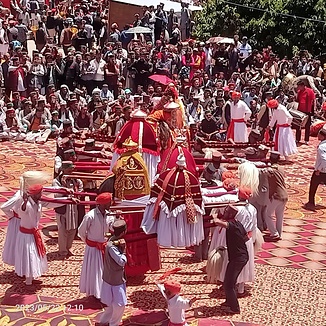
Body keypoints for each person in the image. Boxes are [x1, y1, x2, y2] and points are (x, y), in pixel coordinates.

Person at [78, 192, 118, 300]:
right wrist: (89, 242)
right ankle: (96, 293)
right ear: (103, 204)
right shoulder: (90, 215)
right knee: (94, 271)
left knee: (104, 271)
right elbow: (81, 231)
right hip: (93, 248)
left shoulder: (110, 214)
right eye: (109, 202)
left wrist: (117, 219)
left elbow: (113, 229)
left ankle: (103, 293)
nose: (111, 204)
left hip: (104, 247)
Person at [212, 204, 249, 314]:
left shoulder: (233, 225)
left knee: (228, 284)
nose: (224, 213)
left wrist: (214, 217)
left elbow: (218, 223)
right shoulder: (238, 224)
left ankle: (235, 308)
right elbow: (245, 238)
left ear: (231, 214)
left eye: (226, 212)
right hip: (237, 256)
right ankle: (229, 301)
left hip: (238, 258)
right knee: (228, 282)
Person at [98, 219, 127, 326]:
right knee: (120, 305)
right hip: (116, 280)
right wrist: (123, 250)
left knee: (111, 305)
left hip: (109, 277)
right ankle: (113, 324)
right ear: (124, 232)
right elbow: (122, 262)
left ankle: (103, 322)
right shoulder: (112, 247)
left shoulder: (111, 240)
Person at [52, 161, 83, 258]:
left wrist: (78, 195)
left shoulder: (75, 179)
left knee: (73, 229)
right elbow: (57, 195)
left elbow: (81, 187)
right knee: (62, 230)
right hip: (62, 208)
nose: (71, 172)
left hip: (73, 208)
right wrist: (64, 187)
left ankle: (68, 248)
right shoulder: (56, 181)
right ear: (64, 170)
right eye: (69, 170)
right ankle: (62, 251)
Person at [264, 151, 288, 241]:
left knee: (268, 214)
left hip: (277, 195)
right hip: (284, 194)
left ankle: (274, 233)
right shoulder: (281, 168)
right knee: (280, 215)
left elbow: (266, 172)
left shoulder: (270, 170)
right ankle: (279, 233)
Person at [304, 126, 326, 211]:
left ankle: (311, 203)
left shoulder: (321, 147)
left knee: (313, 186)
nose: (317, 135)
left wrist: (319, 169)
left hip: (321, 171)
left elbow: (324, 160)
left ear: (323, 136)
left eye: (319, 134)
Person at [295, 80, 315, 145]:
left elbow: (313, 101)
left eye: (299, 86)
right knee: (298, 125)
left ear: (303, 86)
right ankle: (297, 139)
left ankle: (306, 140)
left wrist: (313, 111)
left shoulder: (310, 91)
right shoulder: (299, 92)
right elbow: (297, 100)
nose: (298, 88)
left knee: (307, 126)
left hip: (307, 111)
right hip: (300, 111)